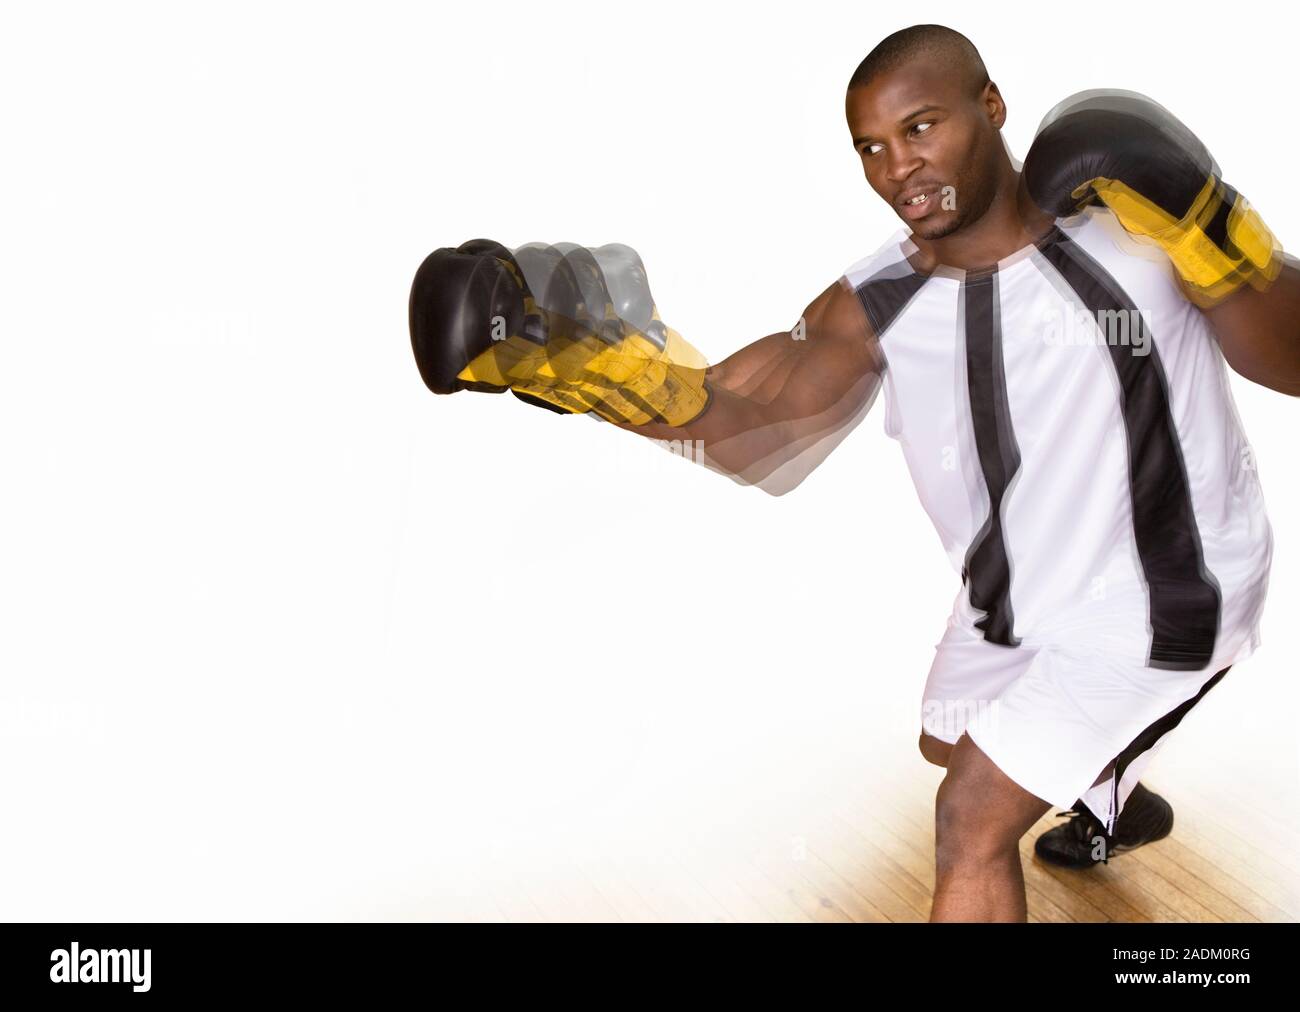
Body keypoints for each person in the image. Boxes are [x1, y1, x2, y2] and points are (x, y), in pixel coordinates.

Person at [410, 24, 1297, 922]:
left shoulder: (1135, 235)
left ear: (991, 109)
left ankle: (1100, 763)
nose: (896, 168)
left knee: (972, 820)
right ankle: (1111, 790)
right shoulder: (879, 295)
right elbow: (753, 427)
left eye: (921, 129)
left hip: (1172, 590)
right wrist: (590, 371)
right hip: (1021, 599)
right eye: (870, 147)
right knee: (945, 746)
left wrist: (1220, 233)